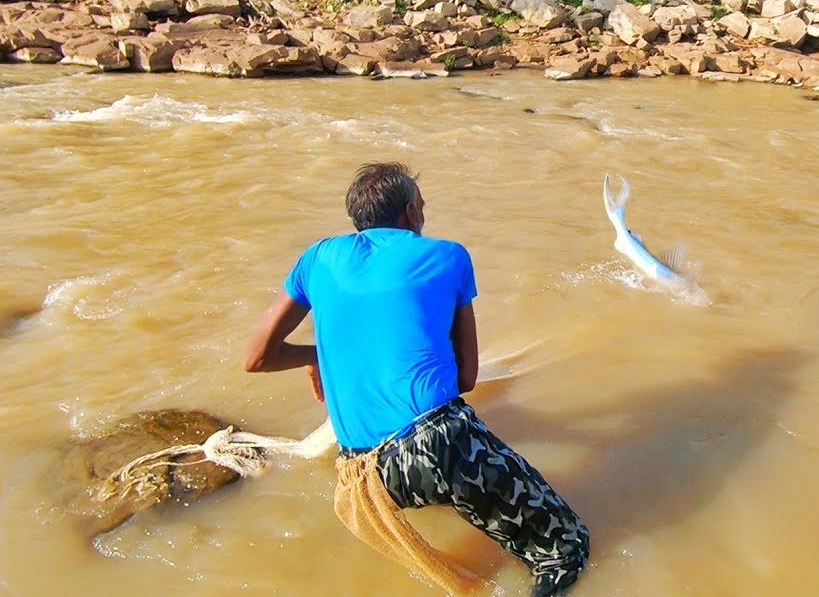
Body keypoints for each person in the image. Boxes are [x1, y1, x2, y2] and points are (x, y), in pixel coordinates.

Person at [242, 162, 589, 597]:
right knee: (566, 548)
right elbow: (466, 376)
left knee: (454, 486)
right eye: (422, 207)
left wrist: (321, 356)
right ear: (410, 212)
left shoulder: (316, 258)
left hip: (367, 475)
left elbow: (255, 358)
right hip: (438, 445)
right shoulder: (449, 256)